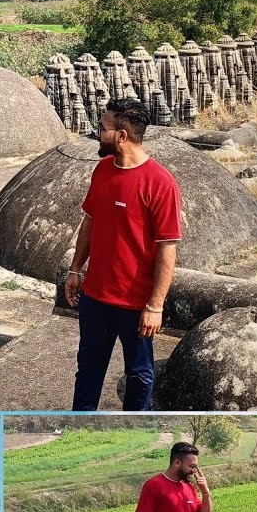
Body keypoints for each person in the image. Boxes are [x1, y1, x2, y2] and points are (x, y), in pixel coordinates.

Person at [67, 97, 183, 411]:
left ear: (121, 136)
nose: (96, 133)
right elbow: (89, 221)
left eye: (102, 128)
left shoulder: (159, 184)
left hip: (135, 305)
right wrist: (76, 269)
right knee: (88, 370)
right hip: (95, 298)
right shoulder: (103, 170)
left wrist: (155, 305)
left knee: (140, 375)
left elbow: (167, 249)